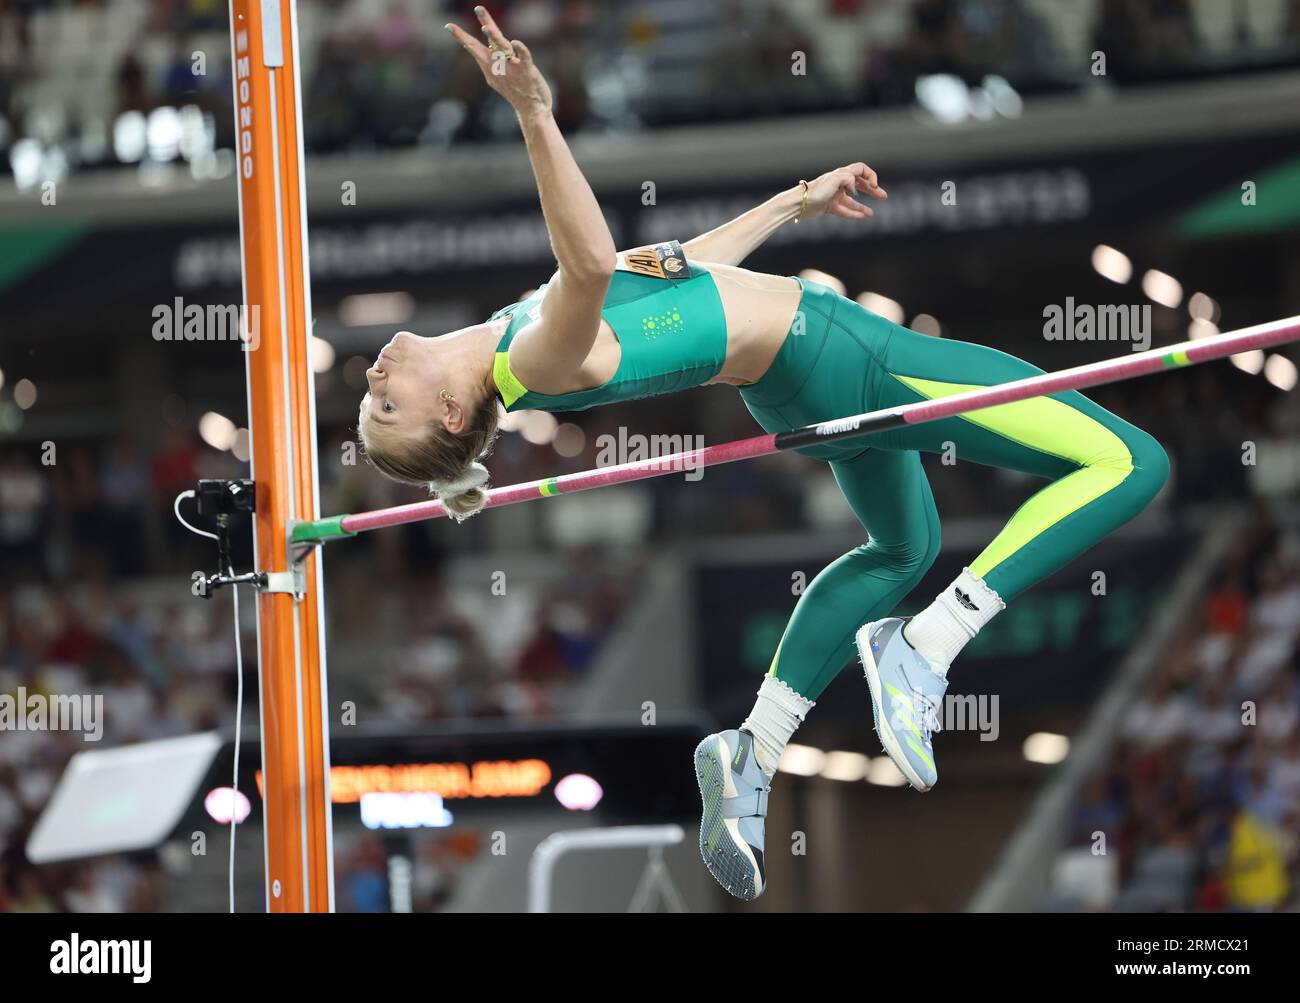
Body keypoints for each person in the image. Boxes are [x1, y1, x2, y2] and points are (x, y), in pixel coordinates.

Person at [358, 6, 1169, 900]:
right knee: (1133, 463)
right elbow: (590, 265)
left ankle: (755, 747)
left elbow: (671, 270)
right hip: (845, 357)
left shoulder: (516, 334)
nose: (373, 376)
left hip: (793, 379)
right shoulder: (530, 357)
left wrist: (794, 201)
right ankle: (932, 642)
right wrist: (534, 111)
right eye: (385, 404)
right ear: (445, 408)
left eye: (368, 397)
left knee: (904, 548)